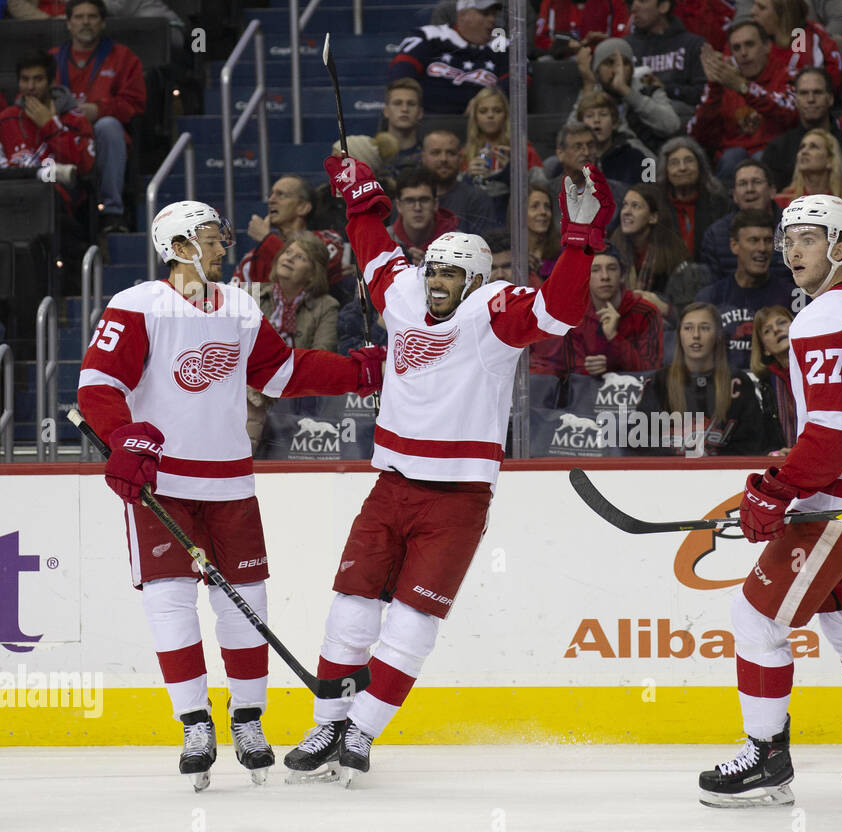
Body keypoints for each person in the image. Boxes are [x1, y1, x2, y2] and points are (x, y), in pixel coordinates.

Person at [281, 159, 615, 784]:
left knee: (411, 624)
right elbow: (376, 251)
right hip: (391, 485)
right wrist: (358, 198)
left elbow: (560, 311)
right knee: (349, 611)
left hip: (457, 499)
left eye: (451, 274)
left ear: (477, 279)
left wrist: (578, 240)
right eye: (432, 269)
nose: (436, 281)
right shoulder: (404, 294)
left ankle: (361, 733)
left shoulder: (493, 312)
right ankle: (328, 723)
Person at [76, 200, 383, 789]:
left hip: (230, 482)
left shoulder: (239, 305)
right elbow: (99, 384)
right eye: (214, 239)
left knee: (246, 604)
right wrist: (124, 439)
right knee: (168, 603)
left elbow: (280, 372)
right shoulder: (137, 305)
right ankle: (195, 723)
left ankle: (247, 720)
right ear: (183, 244)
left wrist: (355, 372)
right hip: (162, 483)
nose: (224, 248)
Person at [698, 194, 842, 807]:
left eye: (809, 236)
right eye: (788, 238)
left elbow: (834, 433)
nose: (792, 248)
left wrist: (778, 490)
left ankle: (765, 760)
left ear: (841, 246)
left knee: (755, 619)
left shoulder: (822, 318)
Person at [50, 0, 145, 234]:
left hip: (100, 134)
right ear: (68, 23)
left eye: (92, 17)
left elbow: (135, 103)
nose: (85, 22)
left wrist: (99, 110)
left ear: (103, 23)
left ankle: (112, 213)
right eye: (79, 17)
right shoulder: (51, 59)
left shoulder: (123, 57)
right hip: (63, 131)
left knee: (109, 126)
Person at [637, 301, 781, 455]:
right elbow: (639, 439)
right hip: (669, 475)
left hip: (723, 476)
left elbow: (751, 444)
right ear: (679, 334)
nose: (696, 335)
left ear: (718, 335)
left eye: (704, 328)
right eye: (688, 328)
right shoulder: (659, 382)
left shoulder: (738, 383)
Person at [246, 233, 342, 452]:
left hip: (295, 386)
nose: (288, 258)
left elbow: (321, 356)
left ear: (312, 273)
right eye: (287, 252)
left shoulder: (326, 306)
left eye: (300, 257)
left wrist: (280, 376)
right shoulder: (251, 295)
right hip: (251, 382)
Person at [686, 19, 799, 179]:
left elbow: (791, 113)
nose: (743, 53)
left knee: (762, 157)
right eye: (736, 48)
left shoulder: (787, 75)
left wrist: (742, 87)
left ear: (767, 46)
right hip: (732, 163)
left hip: (776, 159)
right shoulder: (723, 84)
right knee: (733, 157)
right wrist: (714, 87)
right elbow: (696, 134)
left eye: (750, 44)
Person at [530, 246, 664, 377]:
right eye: (595, 270)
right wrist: (587, 369)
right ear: (585, 277)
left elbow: (651, 371)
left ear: (622, 276)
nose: (605, 276)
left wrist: (613, 337)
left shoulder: (646, 312)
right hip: (585, 394)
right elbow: (565, 370)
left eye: (612, 268)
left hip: (636, 394)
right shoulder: (574, 314)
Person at [696, 207, 796, 371]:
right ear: (734, 245)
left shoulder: (792, 297)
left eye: (768, 240)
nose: (762, 248)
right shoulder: (709, 298)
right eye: (754, 240)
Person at [0, 51, 96, 210]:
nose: (30, 87)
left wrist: (50, 125)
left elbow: (84, 168)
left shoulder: (76, 120)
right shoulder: (6, 119)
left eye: (38, 79)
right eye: (25, 80)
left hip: (60, 207)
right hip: (12, 201)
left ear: (51, 82)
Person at [388, 0, 509, 116]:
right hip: (426, 122)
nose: (492, 20)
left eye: (494, 14)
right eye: (485, 14)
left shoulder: (503, 46)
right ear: (462, 15)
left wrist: (488, 100)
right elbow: (401, 73)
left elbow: (519, 82)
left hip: (483, 126)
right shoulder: (429, 37)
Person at [235, 175, 347, 293]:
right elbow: (244, 305)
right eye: (271, 194)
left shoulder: (329, 240)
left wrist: (267, 239)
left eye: (281, 195)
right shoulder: (253, 258)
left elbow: (312, 277)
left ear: (303, 207)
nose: (271, 200)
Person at [575, 36, 681, 155]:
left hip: (644, 162)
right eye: (609, 63)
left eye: (624, 63)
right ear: (597, 70)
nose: (617, 69)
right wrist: (588, 85)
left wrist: (626, 91)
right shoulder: (592, 93)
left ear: (632, 68)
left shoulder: (649, 91)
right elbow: (571, 135)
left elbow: (672, 126)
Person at [698, 157, 789, 282]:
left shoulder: (793, 227)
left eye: (757, 182)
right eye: (742, 184)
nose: (749, 189)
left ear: (772, 191)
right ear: (734, 195)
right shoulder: (715, 235)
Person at [462, 86, 543, 221]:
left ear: (506, 115)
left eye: (497, 110)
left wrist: (512, 173)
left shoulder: (524, 151)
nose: (490, 115)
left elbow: (539, 191)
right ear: (475, 117)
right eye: (483, 111)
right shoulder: (465, 154)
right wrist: (468, 178)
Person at [762, 66, 842, 192]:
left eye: (817, 92)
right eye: (804, 93)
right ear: (795, 100)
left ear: (830, 99)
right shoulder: (777, 150)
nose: (811, 99)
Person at [625, 0, 710, 122]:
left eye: (643, 1)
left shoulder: (693, 45)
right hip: (637, 123)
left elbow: (704, 94)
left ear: (664, 6)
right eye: (631, 2)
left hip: (683, 126)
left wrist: (666, 88)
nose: (633, 7)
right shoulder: (626, 47)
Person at [656, 135, 729, 256]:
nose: (682, 168)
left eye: (689, 161)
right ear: (665, 171)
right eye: (674, 163)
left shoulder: (719, 203)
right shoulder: (656, 206)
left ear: (700, 167)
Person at [749, 0, 842, 94]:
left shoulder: (809, 42)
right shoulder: (753, 38)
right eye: (754, 5)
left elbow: (809, 97)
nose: (752, 11)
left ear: (783, 14)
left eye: (762, 8)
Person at [421, 128, 499, 234]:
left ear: (460, 158)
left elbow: (482, 248)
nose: (443, 159)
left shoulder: (477, 199)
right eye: (436, 153)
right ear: (423, 157)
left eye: (451, 153)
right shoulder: (408, 199)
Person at [576, 89, 653, 186]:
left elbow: (650, 195)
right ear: (581, 124)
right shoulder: (573, 160)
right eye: (590, 116)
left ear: (614, 122)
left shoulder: (636, 158)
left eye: (603, 114)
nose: (596, 120)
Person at [749, 303, 797, 448]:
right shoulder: (765, 386)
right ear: (765, 349)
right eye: (767, 331)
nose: (776, 330)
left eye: (782, 322)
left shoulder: (817, 371)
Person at [390, 165, 460, 260]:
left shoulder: (458, 243)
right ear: (399, 206)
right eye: (410, 201)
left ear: (435, 204)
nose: (417, 208)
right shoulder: (383, 240)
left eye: (424, 200)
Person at [775, 127, 842, 203]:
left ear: (830, 160)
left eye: (813, 146)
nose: (804, 151)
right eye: (802, 147)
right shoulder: (783, 202)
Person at [534, 0, 629, 57]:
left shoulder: (613, 2)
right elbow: (540, 40)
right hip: (561, 61)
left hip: (598, 59)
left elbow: (622, 41)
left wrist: (603, 41)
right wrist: (570, 47)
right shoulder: (551, 3)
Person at [381, 78, 426, 173]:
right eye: (397, 103)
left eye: (411, 104)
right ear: (386, 111)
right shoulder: (372, 155)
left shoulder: (430, 157)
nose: (404, 109)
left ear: (420, 113)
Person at [527, 185, 561, 282]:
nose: (543, 212)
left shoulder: (562, 253)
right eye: (535, 206)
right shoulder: (509, 254)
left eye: (547, 207)